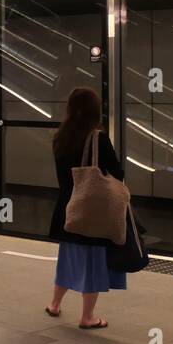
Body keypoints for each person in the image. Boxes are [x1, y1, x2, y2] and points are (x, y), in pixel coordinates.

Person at [46, 87, 125, 329]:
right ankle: (87, 317)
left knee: (67, 257)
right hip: (91, 208)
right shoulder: (97, 137)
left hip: (68, 206)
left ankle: (55, 304)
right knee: (92, 262)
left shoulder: (61, 136)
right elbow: (117, 172)